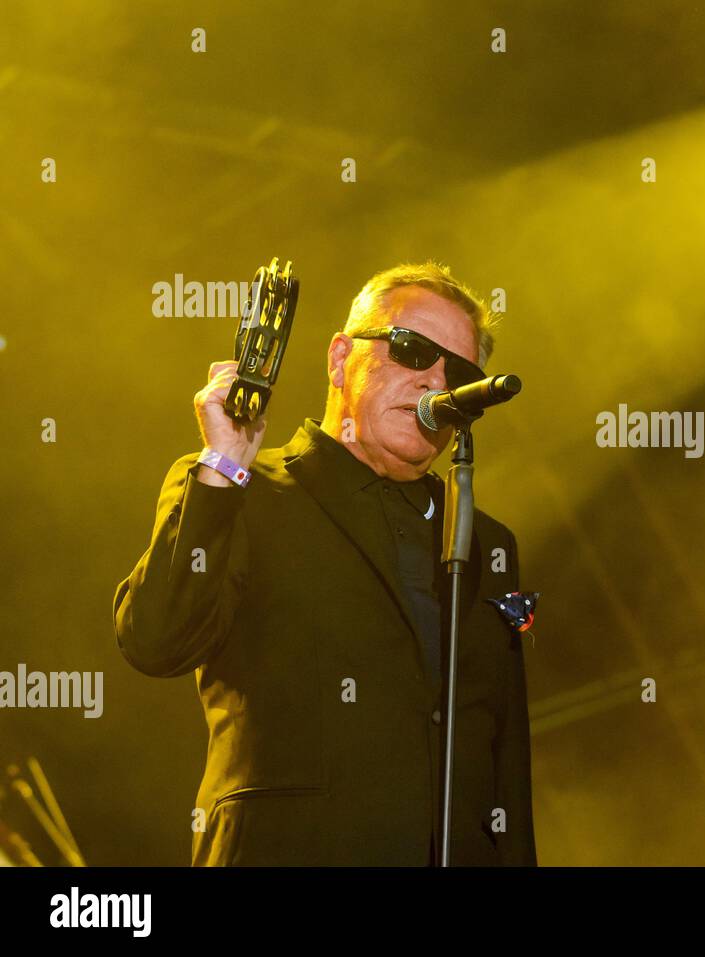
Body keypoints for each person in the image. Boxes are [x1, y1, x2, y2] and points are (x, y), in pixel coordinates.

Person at [113, 261, 537, 866]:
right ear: (341, 358)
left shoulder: (483, 540)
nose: (437, 382)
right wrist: (222, 465)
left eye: (462, 372)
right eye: (413, 351)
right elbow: (155, 641)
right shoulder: (242, 490)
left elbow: (506, 758)